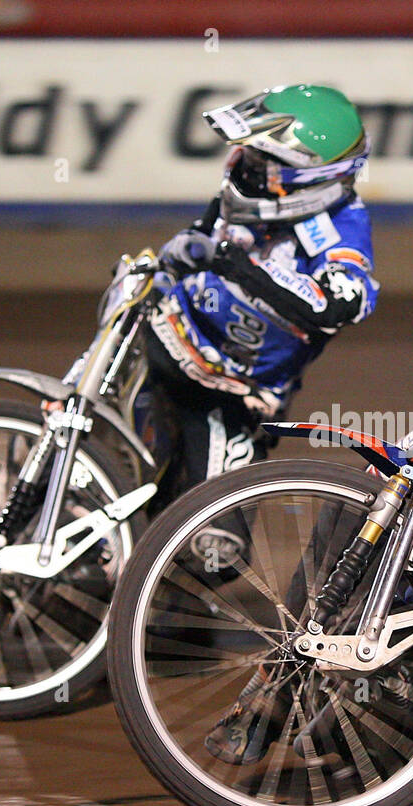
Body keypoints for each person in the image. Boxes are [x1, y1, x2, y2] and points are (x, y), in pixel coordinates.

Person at [142, 84, 377, 551]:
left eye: (259, 163)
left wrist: (237, 263)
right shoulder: (242, 195)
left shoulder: (341, 228)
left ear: (308, 178)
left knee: (212, 550)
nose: (242, 169)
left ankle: (151, 613)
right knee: (79, 442)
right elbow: (201, 236)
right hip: (166, 340)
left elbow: (343, 303)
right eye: (245, 156)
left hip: (235, 395)